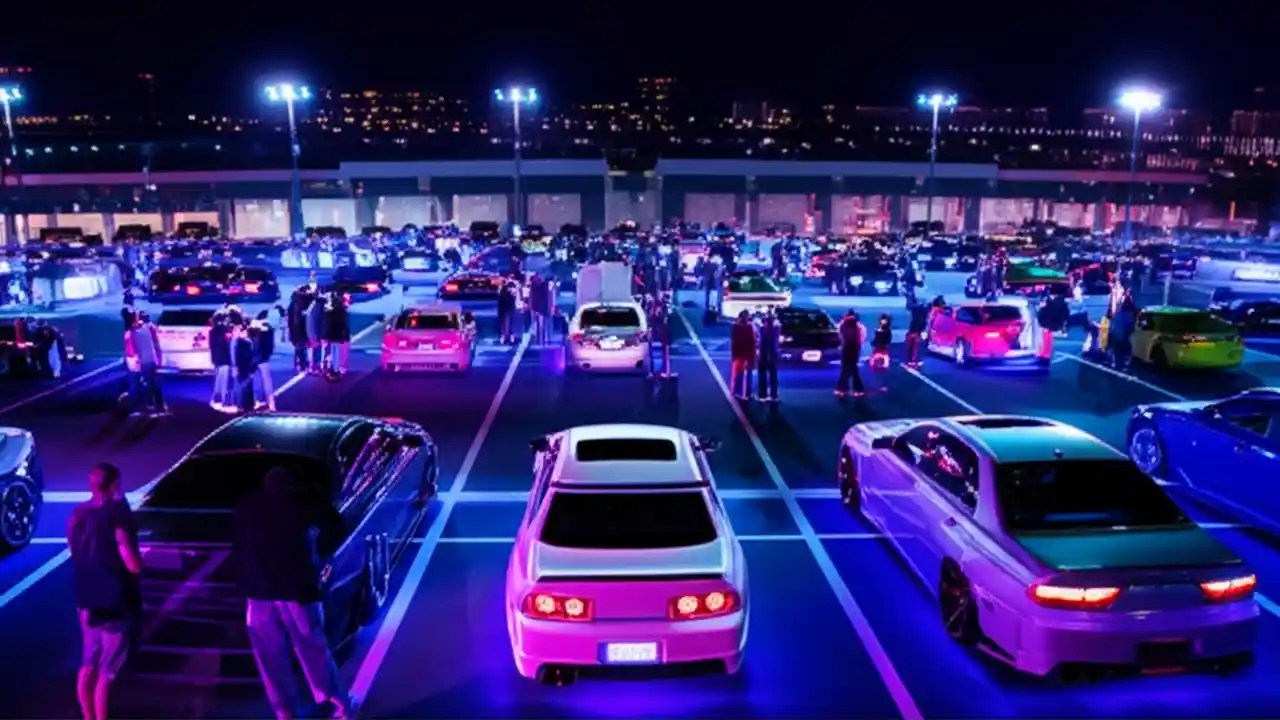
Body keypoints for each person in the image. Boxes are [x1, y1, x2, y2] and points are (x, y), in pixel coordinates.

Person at [233, 467, 352, 720]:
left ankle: (285, 711)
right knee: (313, 648)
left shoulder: (246, 506)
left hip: (258, 594)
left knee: (269, 658)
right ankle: (337, 703)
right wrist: (319, 554)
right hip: (297, 591)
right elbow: (337, 527)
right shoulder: (302, 502)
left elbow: (237, 544)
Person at [68, 463, 143, 720]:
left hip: (86, 598)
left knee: (88, 662)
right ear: (115, 484)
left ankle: (88, 716)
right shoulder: (115, 517)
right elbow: (131, 561)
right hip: (115, 600)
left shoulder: (77, 515)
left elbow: (73, 551)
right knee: (108, 671)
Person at [124, 310, 168, 416]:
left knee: (144, 384)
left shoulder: (132, 332)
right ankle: (157, 406)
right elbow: (155, 343)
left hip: (141, 361)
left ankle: (149, 406)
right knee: (151, 383)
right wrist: (158, 357)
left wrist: (133, 360)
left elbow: (130, 349)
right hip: (147, 360)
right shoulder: (147, 328)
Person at [836, 310, 866, 397]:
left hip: (846, 348)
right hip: (855, 349)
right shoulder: (859, 326)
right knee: (853, 368)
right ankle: (857, 390)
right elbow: (862, 337)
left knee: (846, 369)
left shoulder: (843, 325)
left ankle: (842, 389)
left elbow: (839, 335)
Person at [251, 311, 276, 411]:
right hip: (263, 358)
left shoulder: (253, 327)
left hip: (253, 358)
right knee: (267, 380)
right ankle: (271, 403)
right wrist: (268, 355)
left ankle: (255, 401)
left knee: (256, 380)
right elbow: (270, 344)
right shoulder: (269, 328)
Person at [729, 310, 757, 400]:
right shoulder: (750, 327)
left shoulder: (736, 327)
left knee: (738, 374)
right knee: (747, 375)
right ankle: (747, 393)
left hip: (738, 355)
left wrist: (733, 355)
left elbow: (733, 342)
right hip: (747, 355)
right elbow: (752, 342)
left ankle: (737, 391)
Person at [230, 322, 257, 413]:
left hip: (242, 368)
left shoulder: (239, 342)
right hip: (244, 368)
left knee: (243, 387)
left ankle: (242, 405)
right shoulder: (244, 342)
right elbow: (250, 357)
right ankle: (246, 406)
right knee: (245, 387)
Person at [209, 310, 233, 411]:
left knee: (218, 379)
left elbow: (211, 346)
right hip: (225, 358)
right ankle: (224, 400)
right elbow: (228, 345)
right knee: (224, 381)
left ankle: (215, 398)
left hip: (216, 358)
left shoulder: (212, 331)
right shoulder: (225, 331)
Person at [757, 312, 781, 402]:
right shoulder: (775, 331)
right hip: (772, 356)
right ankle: (773, 395)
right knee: (773, 376)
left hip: (764, 356)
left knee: (763, 376)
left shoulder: (763, 330)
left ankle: (762, 395)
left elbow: (760, 341)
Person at [1109, 295, 1137, 371]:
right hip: (1124, 335)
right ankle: (1122, 364)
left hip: (1117, 335)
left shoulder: (1119, 313)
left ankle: (1117, 364)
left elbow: (1114, 324)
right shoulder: (1130, 314)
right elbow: (1131, 326)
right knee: (1124, 350)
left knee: (1118, 350)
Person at [286, 288, 311, 372]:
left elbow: (289, 320)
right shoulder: (301, 305)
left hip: (295, 330)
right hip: (300, 330)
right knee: (301, 347)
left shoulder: (292, 305)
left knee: (299, 347)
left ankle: (299, 364)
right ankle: (302, 365)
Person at [904, 300, 930, 368]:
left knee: (912, 346)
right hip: (918, 330)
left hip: (914, 329)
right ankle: (915, 360)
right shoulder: (924, 311)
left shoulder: (915, 309)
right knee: (917, 346)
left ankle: (910, 360)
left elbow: (908, 307)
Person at [497, 280, 517, 344]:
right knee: (505, 324)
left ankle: (508, 337)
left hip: (508, 309)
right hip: (504, 310)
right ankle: (505, 337)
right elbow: (501, 301)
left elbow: (513, 300)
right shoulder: (503, 292)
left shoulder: (510, 292)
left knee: (509, 323)